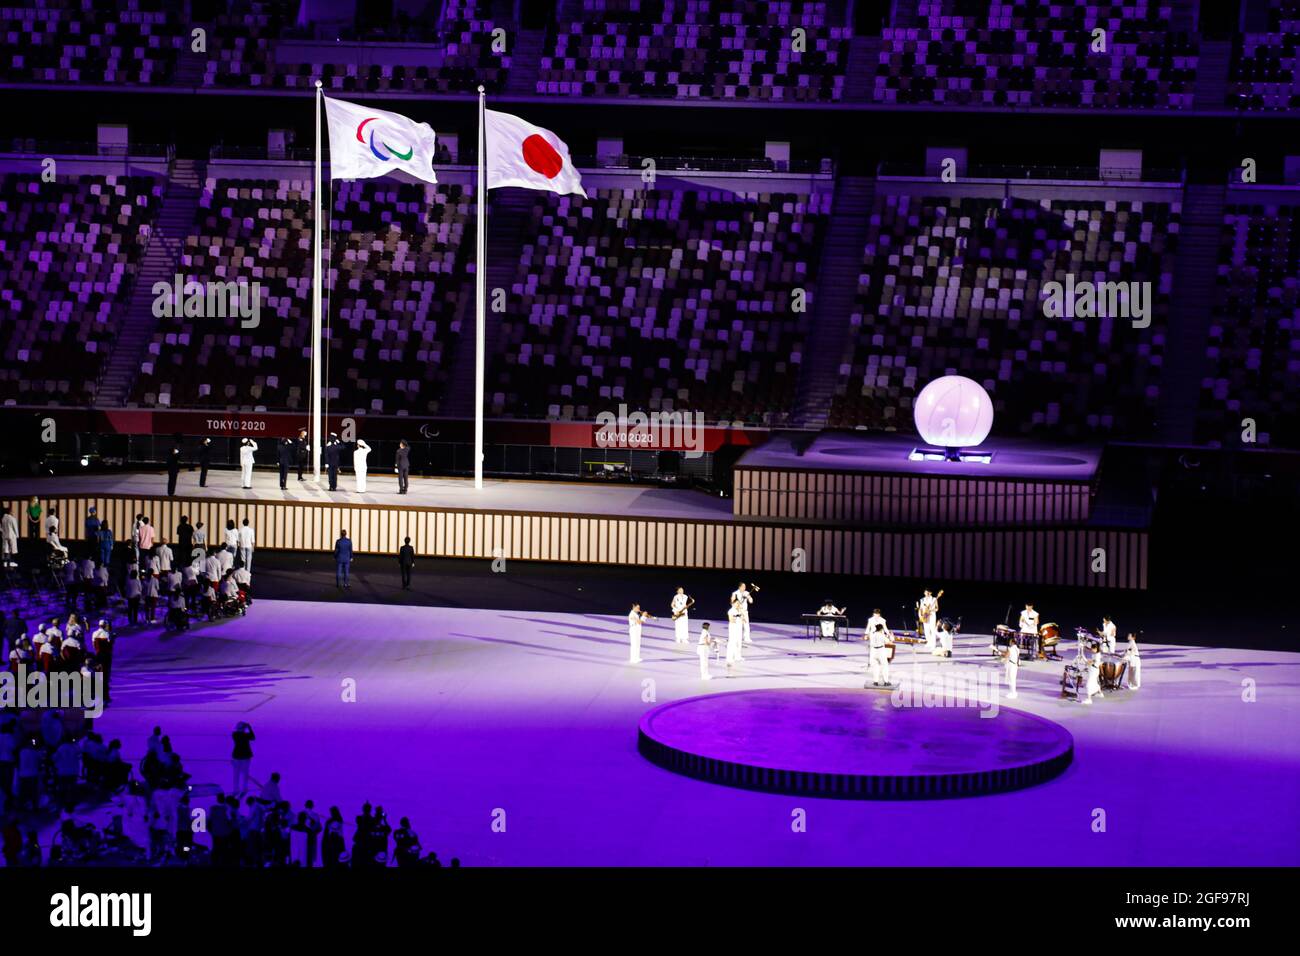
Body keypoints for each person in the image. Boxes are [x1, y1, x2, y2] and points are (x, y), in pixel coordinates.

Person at [867, 616, 892, 688]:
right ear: (881, 629)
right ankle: (886, 681)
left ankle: (876, 681)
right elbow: (888, 642)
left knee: (875, 667)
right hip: (881, 651)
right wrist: (890, 637)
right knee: (885, 666)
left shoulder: (872, 635)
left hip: (874, 651)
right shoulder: (882, 635)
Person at [231, 722, 255, 796]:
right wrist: (249, 728)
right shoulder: (245, 735)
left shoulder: (235, 734)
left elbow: (251, 737)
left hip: (237, 756)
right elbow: (253, 737)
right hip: (245, 756)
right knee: (245, 773)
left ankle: (236, 789)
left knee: (236, 773)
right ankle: (244, 787)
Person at [725, 599, 743, 670]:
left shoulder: (738, 610)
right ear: (733, 604)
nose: (738, 604)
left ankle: (737, 656)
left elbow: (743, 618)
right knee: (732, 642)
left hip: (739, 628)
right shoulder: (731, 611)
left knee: (739, 642)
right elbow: (731, 620)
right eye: (736, 603)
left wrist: (740, 612)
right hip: (733, 628)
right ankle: (729, 658)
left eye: (738, 603)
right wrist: (738, 616)